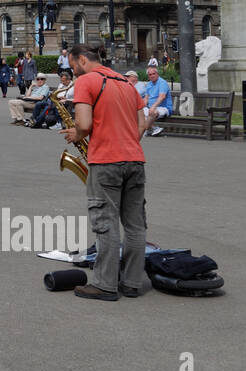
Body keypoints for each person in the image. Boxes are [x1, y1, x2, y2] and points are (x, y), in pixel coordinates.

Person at [63, 44, 148, 301]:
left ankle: (104, 284)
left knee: (105, 223)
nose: (72, 71)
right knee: (135, 224)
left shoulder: (86, 82)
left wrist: (75, 133)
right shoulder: (126, 82)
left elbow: (85, 124)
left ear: (81, 60)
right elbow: (142, 124)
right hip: (135, 159)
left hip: (106, 161)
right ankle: (132, 282)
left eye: (72, 65)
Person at [139, 64, 171, 137]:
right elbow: (146, 98)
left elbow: (162, 97)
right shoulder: (149, 84)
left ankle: (144, 130)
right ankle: (154, 128)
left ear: (157, 74)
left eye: (154, 74)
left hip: (164, 107)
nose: (152, 76)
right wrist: (141, 107)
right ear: (148, 76)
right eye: (150, 74)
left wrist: (153, 107)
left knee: (153, 112)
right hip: (150, 107)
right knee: (138, 112)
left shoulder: (162, 83)